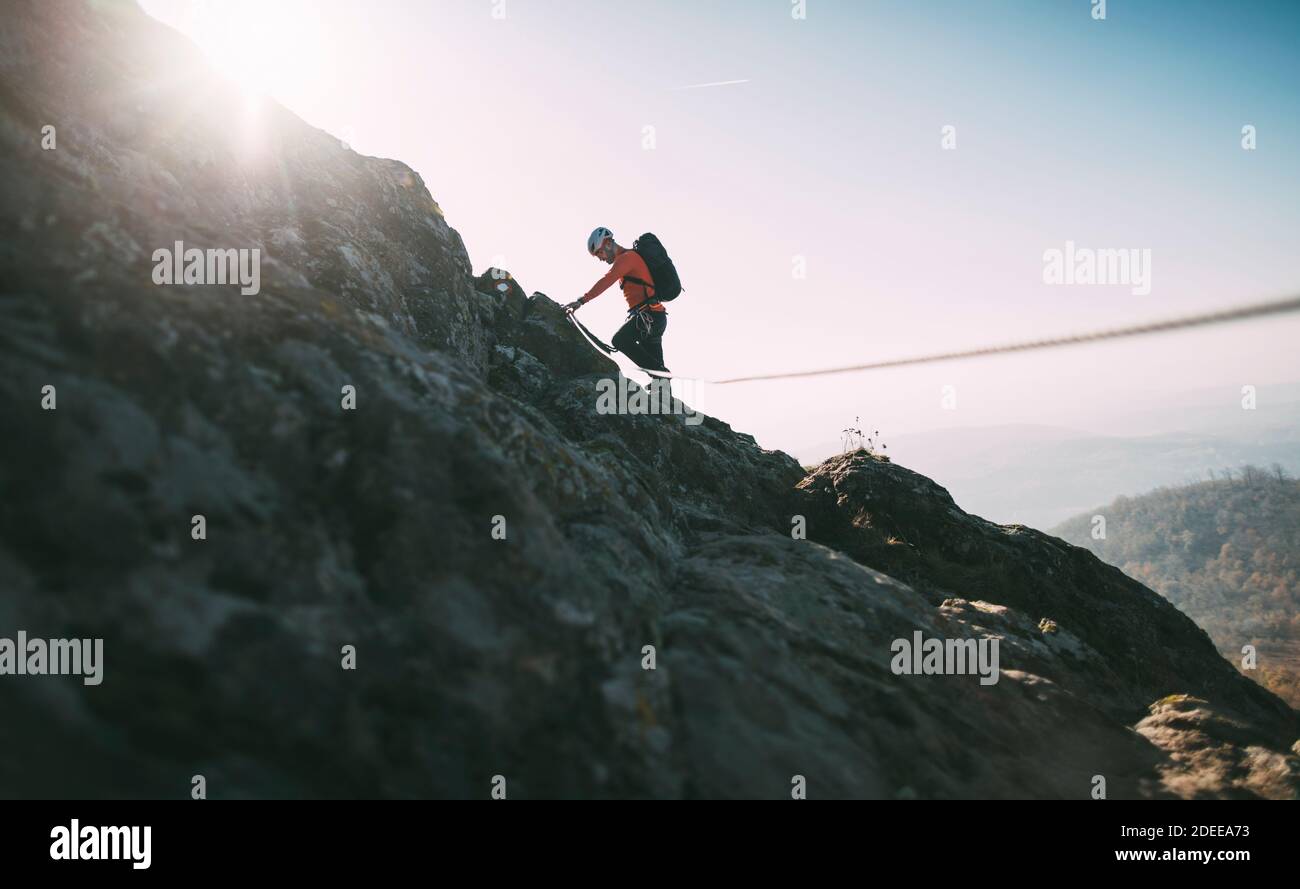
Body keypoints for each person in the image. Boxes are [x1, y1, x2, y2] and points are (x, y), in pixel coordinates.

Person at [565, 227, 668, 373]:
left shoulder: (627, 258)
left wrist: (581, 300)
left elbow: (607, 280)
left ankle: (663, 377)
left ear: (607, 244)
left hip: (649, 317)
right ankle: (663, 389)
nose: (600, 258)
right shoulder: (628, 259)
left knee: (620, 340)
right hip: (654, 317)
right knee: (657, 371)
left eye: (599, 252)